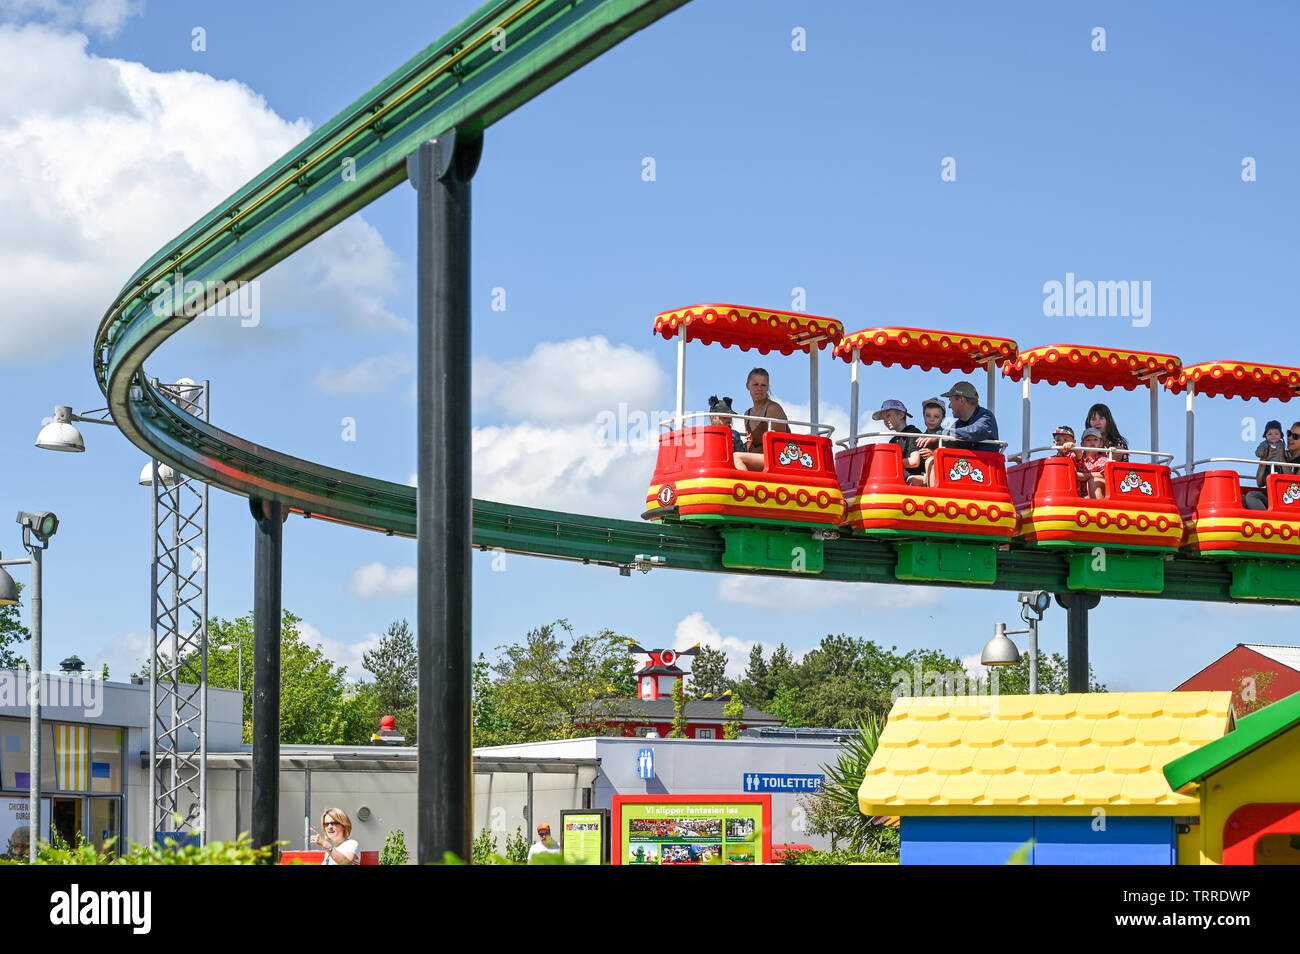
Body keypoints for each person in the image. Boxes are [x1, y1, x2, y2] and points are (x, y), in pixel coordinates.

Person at [915, 381, 999, 484]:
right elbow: (951, 446)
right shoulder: (958, 424)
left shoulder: (985, 417)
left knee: (931, 462)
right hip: (964, 470)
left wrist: (940, 435)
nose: (950, 406)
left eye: (951, 400)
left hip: (983, 472)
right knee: (923, 470)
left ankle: (935, 497)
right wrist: (933, 452)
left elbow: (977, 431)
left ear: (962, 400)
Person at [1246, 421, 1300, 510]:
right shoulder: (1280, 453)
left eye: (1295, 436)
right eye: (1289, 434)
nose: (1290, 438)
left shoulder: (1284, 456)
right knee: (1244, 499)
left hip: (1290, 504)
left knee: (1251, 496)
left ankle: (1267, 521)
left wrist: (1282, 459)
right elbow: (1260, 483)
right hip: (1274, 499)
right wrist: (1265, 459)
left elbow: (1295, 485)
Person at [872, 399, 924, 485]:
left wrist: (888, 463)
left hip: (913, 476)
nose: (885, 421)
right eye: (883, 418)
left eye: (888, 416)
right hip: (899, 476)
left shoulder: (913, 433)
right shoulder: (892, 441)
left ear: (901, 415)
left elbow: (914, 461)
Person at [741, 368, 789, 454]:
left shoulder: (773, 409)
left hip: (773, 457)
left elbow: (782, 445)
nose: (759, 388)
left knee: (737, 458)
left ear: (768, 387)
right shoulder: (747, 414)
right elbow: (750, 444)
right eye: (756, 384)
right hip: (755, 457)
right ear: (747, 386)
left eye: (763, 385)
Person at [709, 395, 753, 470]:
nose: (729, 419)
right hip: (713, 464)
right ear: (714, 417)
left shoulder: (734, 434)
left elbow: (740, 451)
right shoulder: (707, 433)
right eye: (725, 417)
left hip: (730, 466)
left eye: (730, 416)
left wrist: (749, 442)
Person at [1051, 425, 1089, 496]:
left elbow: (1079, 455)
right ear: (1054, 442)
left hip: (1074, 493)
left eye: (1066, 440)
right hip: (1058, 491)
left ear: (1074, 441)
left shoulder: (1072, 454)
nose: (1062, 442)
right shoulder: (1053, 459)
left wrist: (1073, 446)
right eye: (1058, 440)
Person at [1079, 427, 1108, 498]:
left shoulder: (1103, 460)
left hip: (1098, 493)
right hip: (1079, 495)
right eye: (1088, 440)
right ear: (1082, 444)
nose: (1092, 442)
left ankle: (1099, 507)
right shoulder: (1079, 459)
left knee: (1094, 481)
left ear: (1100, 443)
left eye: (1095, 440)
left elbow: (1106, 475)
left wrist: (1084, 476)